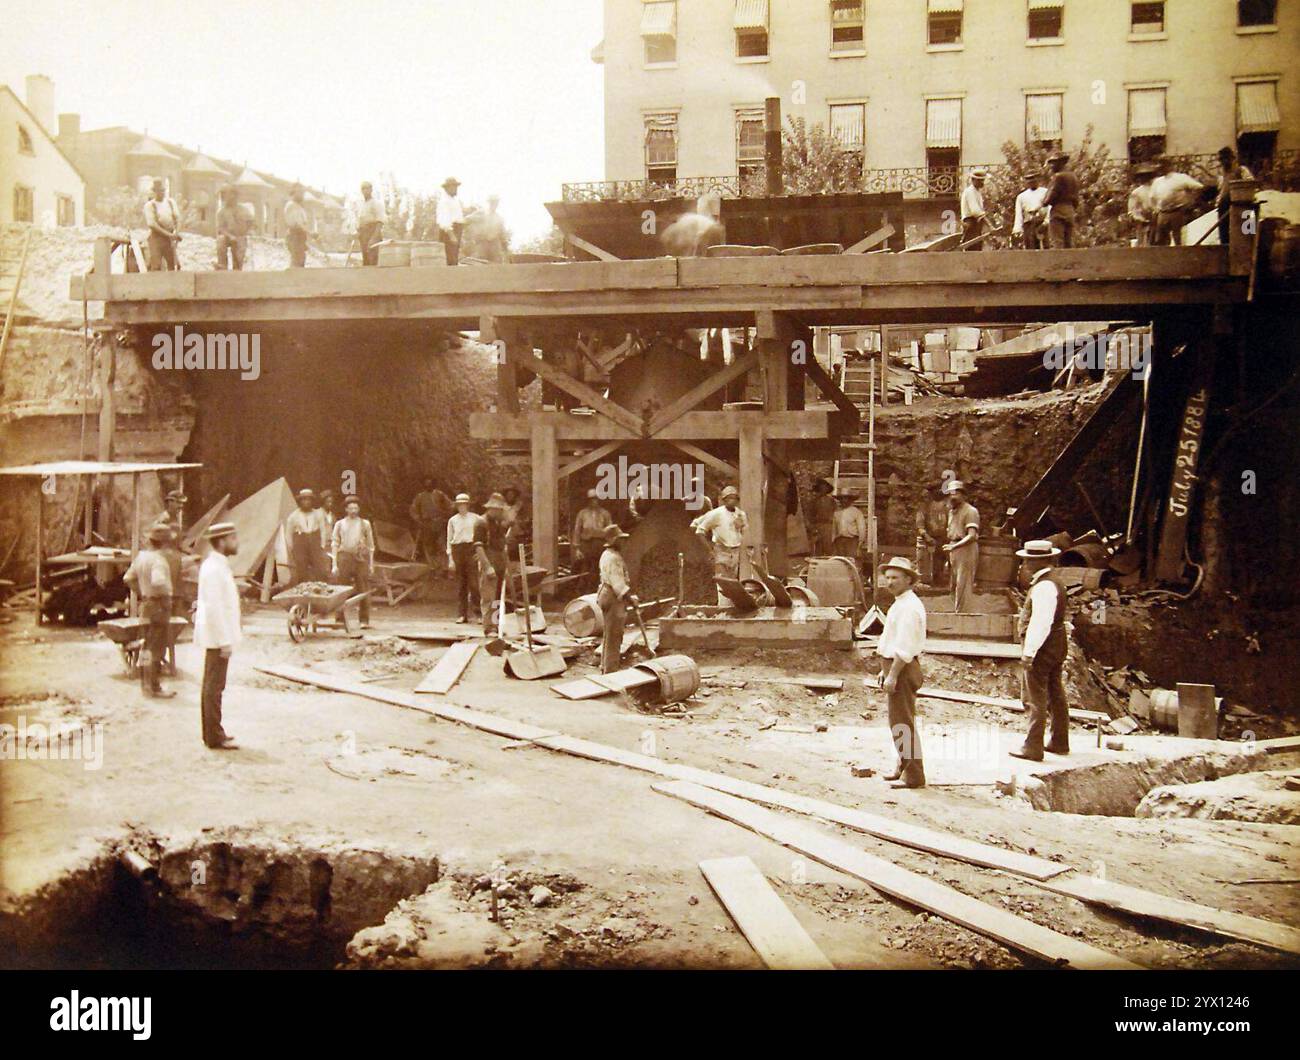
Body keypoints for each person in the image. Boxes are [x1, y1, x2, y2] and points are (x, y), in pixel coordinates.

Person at [1009, 540, 1071, 762]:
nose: (1025, 563)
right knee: (1055, 692)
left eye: (1029, 560)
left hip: (1043, 645)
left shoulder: (1044, 586)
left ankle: (1033, 746)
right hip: (1056, 643)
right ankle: (1059, 740)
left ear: (1040, 561)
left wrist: (1029, 652)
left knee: (1035, 696)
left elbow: (1040, 622)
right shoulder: (1054, 582)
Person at [875, 556, 927, 789]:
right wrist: (883, 670)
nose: (890, 582)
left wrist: (893, 674)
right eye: (887, 577)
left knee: (902, 722)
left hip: (903, 669)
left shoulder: (909, 607)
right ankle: (902, 766)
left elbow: (904, 647)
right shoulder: (900, 603)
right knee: (900, 721)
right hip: (895, 666)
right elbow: (892, 641)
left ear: (908, 580)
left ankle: (914, 775)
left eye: (895, 578)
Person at [194, 521, 241, 750]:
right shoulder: (213, 568)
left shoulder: (219, 565)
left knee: (215, 686)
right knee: (213, 687)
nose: (237, 542)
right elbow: (214, 607)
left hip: (219, 636)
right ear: (221, 542)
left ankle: (215, 731)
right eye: (233, 538)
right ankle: (213, 736)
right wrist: (224, 640)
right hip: (216, 637)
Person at [124, 521, 176, 698]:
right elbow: (158, 581)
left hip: (146, 606)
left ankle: (145, 685)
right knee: (157, 648)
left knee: (146, 647)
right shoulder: (159, 560)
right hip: (159, 607)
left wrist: (143, 593)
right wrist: (163, 597)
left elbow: (128, 578)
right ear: (165, 542)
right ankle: (154, 687)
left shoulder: (142, 557)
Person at [691, 485, 748, 606]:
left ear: (737, 500)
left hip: (735, 551)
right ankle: (723, 608)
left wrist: (740, 527)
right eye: (728, 498)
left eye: (734, 498)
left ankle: (731, 608)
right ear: (724, 500)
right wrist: (710, 550)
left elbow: (745, 533)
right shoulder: (716, 514)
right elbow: (699, 531)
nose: (731, 501)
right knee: (722, 582)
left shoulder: (740, 514)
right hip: (721, 549)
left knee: (733, 582)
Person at [596, 525, 636, 674]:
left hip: (606, 593)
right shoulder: (613, 558)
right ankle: (610, 671)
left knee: (609, 633)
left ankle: (604, 666)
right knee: (614, 636)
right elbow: (617, 583)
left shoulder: (606, 554)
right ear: (613, 541)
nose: (623, 543)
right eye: (621, 540)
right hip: (612, 595)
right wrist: (630, 598)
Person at [330, 496, 375, 628]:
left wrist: (371, 564)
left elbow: (371, 546)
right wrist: (334, 564)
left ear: (359, 509)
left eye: (356, 508)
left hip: (360, 558)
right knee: (341, 589)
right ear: (346, 509)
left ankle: (364, 620)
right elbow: (335, 544)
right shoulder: (339, 524)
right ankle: (339, 619)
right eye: (351, 508)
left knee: (363, 588)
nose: (354, 510)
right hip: (344, 558)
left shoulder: (365, 524)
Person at [1151, 160, 1210, 246]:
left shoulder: (1180, 178)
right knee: (1160, 239)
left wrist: (1191, 201)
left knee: (1178, 238)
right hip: (1162, 213)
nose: (1160, 169)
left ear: (1168, 166)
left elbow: (1198, 187)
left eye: (1162, 167)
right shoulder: (1157, 181)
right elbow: (1152, 197)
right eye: (1159, 167)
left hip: (1177, 211)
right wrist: (1155, 208)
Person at [942, 480, 980, 613]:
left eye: (956, 493)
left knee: (963, 583)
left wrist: (954, 547)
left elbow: (972, 536)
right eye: (950, 494)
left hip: (966, 548)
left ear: (963, 495)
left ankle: (962, 613)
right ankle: (956, 611)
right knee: (953, 584)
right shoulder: (951, 511)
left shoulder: (970, 511)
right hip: (953, 547)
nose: (952, 496)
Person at [447, 493, 485, 623]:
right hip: (458, 550)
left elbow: (483, 536)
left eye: (464, 504)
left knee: (474, 584)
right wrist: (451, 559)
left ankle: (478, 614)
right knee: (461, 584)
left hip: (471, 549)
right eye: (459, 505)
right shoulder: (452, 520)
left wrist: (479, 553)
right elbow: (449, 540)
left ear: (468, 505)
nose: (461, 507)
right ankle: (462, 614)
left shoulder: (476, 519)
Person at [480, 493, 514, 629]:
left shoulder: (498, 524)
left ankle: (495, 625)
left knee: (497, 597)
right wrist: (487, 566)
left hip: (499, 562)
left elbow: (502, 545)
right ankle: (488, 627)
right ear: (492, 509)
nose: (501, 512)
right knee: (489, 597)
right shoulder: (481, 523)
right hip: (489, 561)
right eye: (499, 510)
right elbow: (479, 547)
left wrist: (505, 566)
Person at [285, 488, 329, 586]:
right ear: (300, 501)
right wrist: (292, 548)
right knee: (301, 568)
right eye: (304, 499)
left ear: (312, 501)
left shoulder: (318, 514)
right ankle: (303, 590)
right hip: (300, 542)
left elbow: (323, 530)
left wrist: (322, 545)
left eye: (309, 499)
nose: (306, 502)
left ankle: (321, 589)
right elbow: (288, 533)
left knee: (320, 568)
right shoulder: (293, 516)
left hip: (314, 541)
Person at [409, 478, 452, 572]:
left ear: (434, 484)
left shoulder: (440, 495)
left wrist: (445, 518)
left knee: (442, 546)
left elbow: (450, 506)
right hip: (426, 525)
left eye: (430, 483)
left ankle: (444, 567)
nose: (428, 485)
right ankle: (433, 567)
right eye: (426, 483)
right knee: (429, 546)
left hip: (439, 523)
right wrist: (418, 519)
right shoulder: (420, 497)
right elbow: (413, 509)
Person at [572, 489, 613, 587]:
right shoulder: (582, 513)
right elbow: (577, 531)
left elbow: (610, 530)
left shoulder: (605, 513)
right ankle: (582, 591)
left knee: (598, 569)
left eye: (595, 499)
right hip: (586, 544)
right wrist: (577, 549)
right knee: (584, 568)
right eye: (591, 499)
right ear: (588, 500)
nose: (593, 501)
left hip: (600, 544)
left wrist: (611, 545)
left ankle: (596, 590)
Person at [1215, 146, 1254, 246]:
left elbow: (1251, 184)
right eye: (1222, 160)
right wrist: (1218, 202)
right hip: (1224, 209)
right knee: (1225, 237)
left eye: (1226, 159)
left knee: (1248, 234)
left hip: (1244, 207)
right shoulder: (1222, 175)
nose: (1224, 162)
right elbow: (1221, 191)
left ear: (1232, 159)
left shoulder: (1242, 170)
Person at [1042, 153, 1079, 248]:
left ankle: (1058, 263)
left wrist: (1044, 202)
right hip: (1070, 210)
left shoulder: (1057, 177)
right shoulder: (1073, 176)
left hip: (1058, 210)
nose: (1051, 166)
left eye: (1053, 163)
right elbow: (1076, 198)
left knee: (1057, 241)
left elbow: (1050, 196)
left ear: (1061, 163)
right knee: (1069, 241)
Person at [143, 179, 182, 271]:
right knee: (156, 265)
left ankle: (172, 284)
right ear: (154, 192)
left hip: (170, 239)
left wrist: (176, 233)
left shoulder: (171, 202)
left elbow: (178, 219)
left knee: (174, 264)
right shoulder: (149, 205)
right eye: (159, 191)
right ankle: (155, 284)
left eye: (163, 190)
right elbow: (152, 224)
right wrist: (170, 235)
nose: (162, 193)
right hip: (156, 238)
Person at [215, 185, 249, 270]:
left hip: (240, 236)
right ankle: (222, 265)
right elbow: (220, 228)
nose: (230, 198)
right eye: (226, 196)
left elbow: (251, 222)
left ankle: (237, 267)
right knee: (221, 240)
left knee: (239, 251)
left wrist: (249, 230)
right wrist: (230, 236)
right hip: (228, 237)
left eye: (233, 195)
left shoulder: (244, 210)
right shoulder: (221, 212)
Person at [1013, 172, 1048, 249]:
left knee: (1045, 246)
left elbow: (1049, 208)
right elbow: (1018, 213)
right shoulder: (1021, 196)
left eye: (1033, 179)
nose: (1031, 182)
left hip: (1041, 222)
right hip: (1028, 223)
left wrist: (1046, 221)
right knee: (1030, 246)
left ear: (1038, 179)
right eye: (1028, 180)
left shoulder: (1045, 192)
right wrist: (1018, 229)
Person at [1126, 163, 1158, 246]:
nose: (1146, 178)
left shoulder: (1157, 189)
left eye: (1148, 176)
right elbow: (1132, 210)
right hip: (1144, 223)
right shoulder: (1136, 192)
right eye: (1143, 176)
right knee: (1144, 244)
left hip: (1158, 221)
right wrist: (1140, 218)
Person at [356, 181, 387, 266]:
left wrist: (374, 237)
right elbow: (360, 220)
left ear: (371, 190)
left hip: (373, 232)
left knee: (373, 259)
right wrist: (359, 232)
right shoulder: (362, 205)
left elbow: (380, 222)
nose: (365, 190)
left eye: (367, 188)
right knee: (365, 260)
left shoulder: (376, 203)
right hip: (363, 234)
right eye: (363, 188)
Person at [436, 177, 466, 265]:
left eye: (456, 187)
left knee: (454, 257)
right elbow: (444, 220)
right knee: (449, 258)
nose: (456, 189)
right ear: (447, 188)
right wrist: (451, 235)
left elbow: (459, 218)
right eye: (454, 187)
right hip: (449, 232)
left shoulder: (454, 201)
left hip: (456, 229)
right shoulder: (444, 201)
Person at [831, 492, 866, 561]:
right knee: (840, 561)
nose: (844, 501)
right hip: (839, 540)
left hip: (852, 541)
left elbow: (862, 528)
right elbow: (834, 529)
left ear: (850, 500)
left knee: (851, 560)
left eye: (846, 498)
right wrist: (833, 541)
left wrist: (860, 543)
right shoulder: (837, 512)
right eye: (841, 499)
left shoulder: (856, 512)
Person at [959, 169, 989, 249]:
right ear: (973, 180)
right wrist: (989, 225)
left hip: (977, 223)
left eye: (982, 180)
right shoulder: (969, 191)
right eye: (979, 180)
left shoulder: (977, 192)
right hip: (970, 223)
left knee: (978, 246)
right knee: (972, 247)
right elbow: (976, 211)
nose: (982, 182)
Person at [476, 194, 509, 264]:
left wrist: (505, 246)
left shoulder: (499, 218)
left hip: (494, 243)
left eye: (495, 203)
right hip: (483, 242)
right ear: (489, 203)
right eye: (492, 202)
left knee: (497, 263)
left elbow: (502, 233)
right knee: (481, 263)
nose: (494, 204)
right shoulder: (481, 214)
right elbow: (469, 221)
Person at [808, 479, 836, 556]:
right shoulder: (814, 501)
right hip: (818, 525)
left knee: (829, 546)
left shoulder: (831, 501)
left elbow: (835, 513)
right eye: (821, 488)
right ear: (819, 489)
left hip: (829, 526)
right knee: (818, 546)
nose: (823, 490)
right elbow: (810, 515)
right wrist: (813, 527)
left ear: (827, 489)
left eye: (825, 488)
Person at [284, 184, 309, 268]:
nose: (302, 195)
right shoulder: (291, 205)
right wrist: (310, 232)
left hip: (300, 238)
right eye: (300, 192)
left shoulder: (299, 207)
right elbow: (297, 224)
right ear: (294, 193)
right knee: (296, 262)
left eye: (303, 192)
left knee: (300, 261)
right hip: (295, 236)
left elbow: (303, 223)